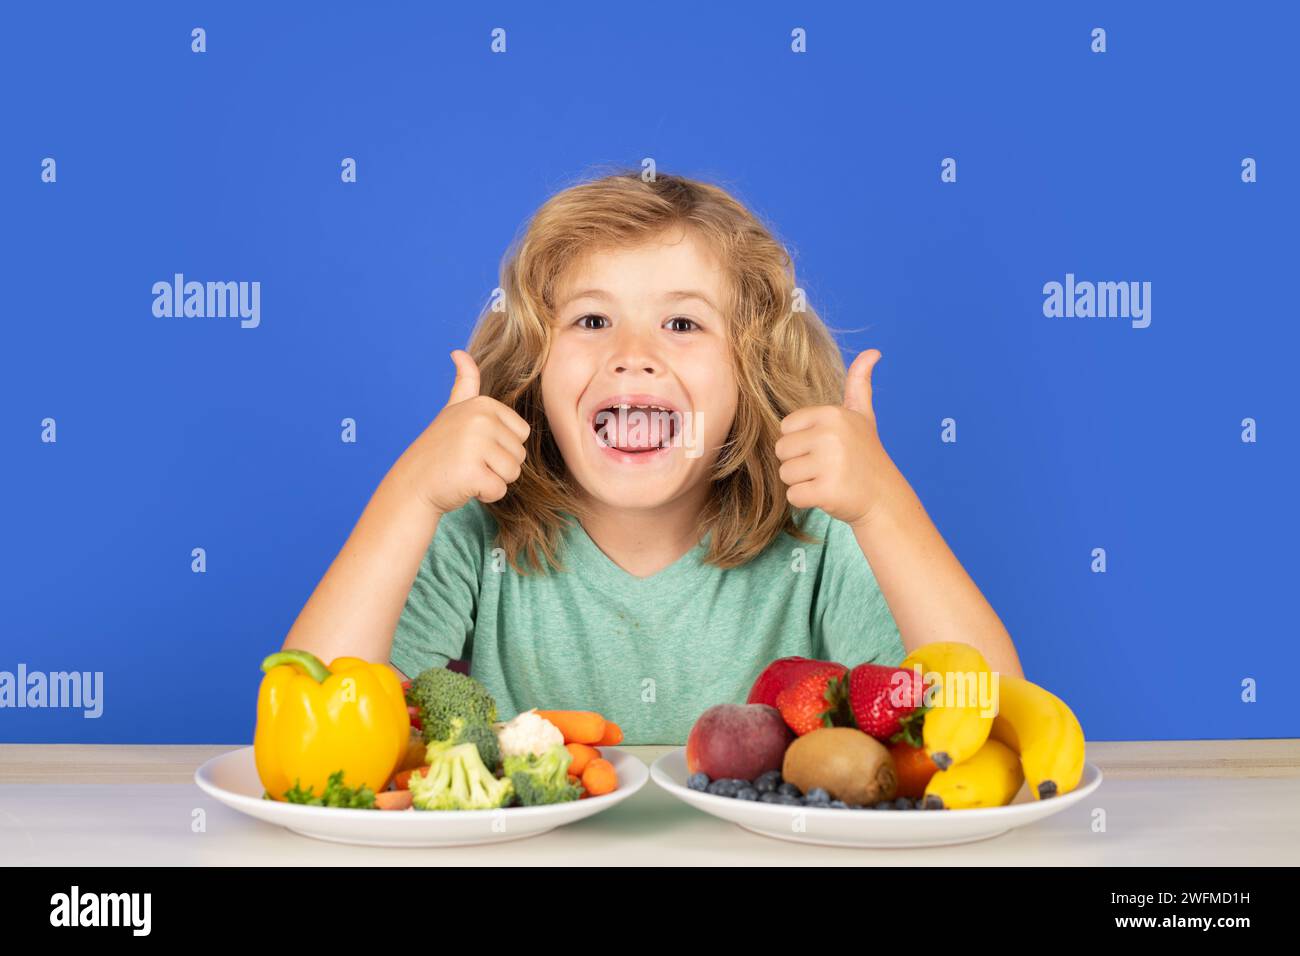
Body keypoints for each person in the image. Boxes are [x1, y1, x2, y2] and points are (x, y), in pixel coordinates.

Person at [282, 170, 1022, 744]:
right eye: (592, 319)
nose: (633, 357)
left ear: (751, 369)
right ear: (535, 368)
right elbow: (307, 728)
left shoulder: (822, 535)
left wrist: (886, 506)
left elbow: (988, 719)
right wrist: (406, 494)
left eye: (682, 322)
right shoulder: (477, 530)